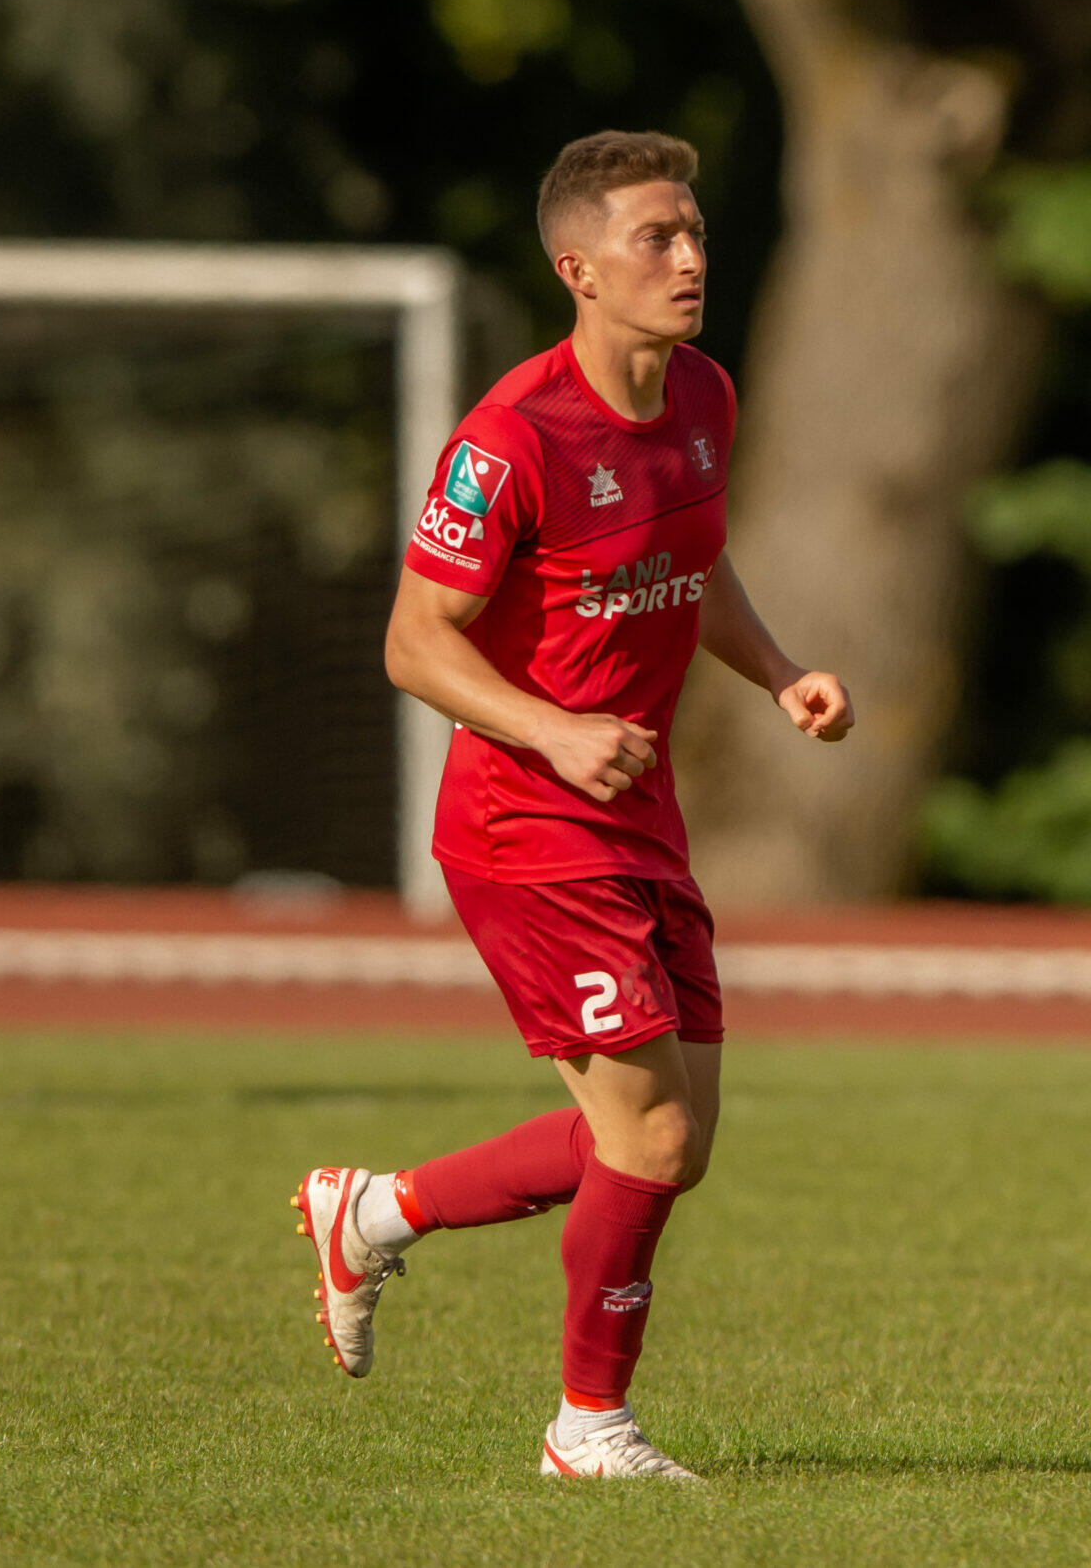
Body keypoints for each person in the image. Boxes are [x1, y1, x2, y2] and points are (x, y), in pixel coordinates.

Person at [290, 129, 852, 1481]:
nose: (691, 256)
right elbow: (415, 641)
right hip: (522, 825)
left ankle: (376, 1211)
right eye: (658, 237)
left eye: (695, 231)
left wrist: (779, 673)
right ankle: (587, 1428)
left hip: (637, 812)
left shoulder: (704, 397)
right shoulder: (511, 439)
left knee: (670, 1142)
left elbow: (691, 564)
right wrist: (551, 732)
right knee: (647, 1136)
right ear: (577, 269)